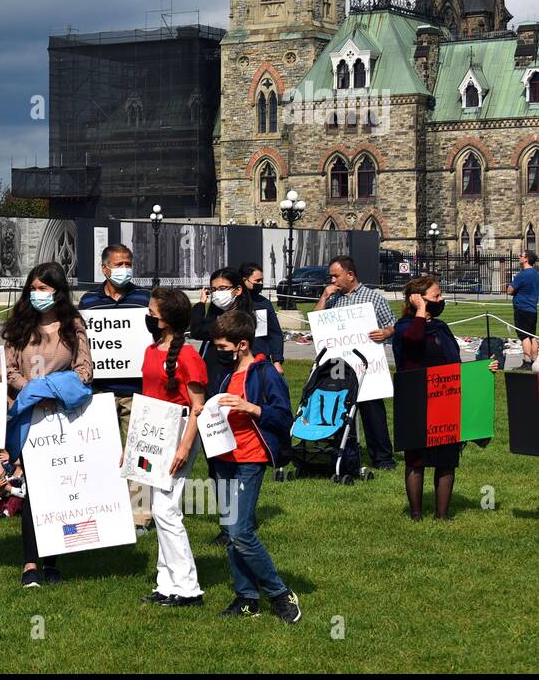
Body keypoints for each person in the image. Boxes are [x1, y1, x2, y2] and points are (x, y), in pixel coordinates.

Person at [1, 262, 92, 588]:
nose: (37, 294)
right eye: (33, 288)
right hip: (26, 416)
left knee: (58, 489)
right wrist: (31, 391)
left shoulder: (73, 325)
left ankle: (53, 559)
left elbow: (84, 371)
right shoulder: (19, 326)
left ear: (58, 291)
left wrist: (54, 391)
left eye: (44, 288)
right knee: (33, 491)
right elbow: (8, 368)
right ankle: (30, 563)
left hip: (61, 416)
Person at [207, 310, 302, 624]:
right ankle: (246, 597)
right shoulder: (228, 375)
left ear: (242, 344)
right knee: (232, 534)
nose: (219, 352)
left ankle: (280, 593)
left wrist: (251, 408)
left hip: (250, 458)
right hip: (224, 459)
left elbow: (283, 417)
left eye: (223, 347)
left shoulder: (265, 373)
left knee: (241, 532)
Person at [392, 275, 497, 520]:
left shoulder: (441, 327)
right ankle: (416, 514)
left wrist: (482, 370)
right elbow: (414, 341)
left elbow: (455, 362)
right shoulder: (404, 326)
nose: (441, 300)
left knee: (446, 460)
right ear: (417, 299)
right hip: (417, 401)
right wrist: (420, 310)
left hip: (445, 400)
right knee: (416, 460)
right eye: (436, 296)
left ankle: (443, 514)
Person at [139, 287, 206, 607]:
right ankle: (166, 583)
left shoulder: (189, 357)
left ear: (164, 320)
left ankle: (188, 587)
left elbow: (197, 406)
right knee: (159, 507)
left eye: (152, 312)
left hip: (178, 433)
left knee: (165, 509)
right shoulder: (151, 350)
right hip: (153, 432)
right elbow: (147, 400)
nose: (148, 316)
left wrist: (184, 446)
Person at [79, 244, 152, 527]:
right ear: (104, 268)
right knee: (101, 454)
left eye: (128, 264)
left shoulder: (143, 298)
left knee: (139, 454)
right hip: (100, 391)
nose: (124, 269)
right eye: (119, 264)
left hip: (137, 390)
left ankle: (140, 516)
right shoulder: (88, 301)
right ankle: (105, 508)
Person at [314, 255, 397, 471]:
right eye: (330, 276)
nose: (332, 280)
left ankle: (383, 458)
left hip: (367, 366)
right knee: (338, 411)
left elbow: (392, 325)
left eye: (336, 276)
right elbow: (316, 323)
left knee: (373, 413)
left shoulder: (373, 298)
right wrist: (323, 296)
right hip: (339, 367)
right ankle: (343, 453)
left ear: (350, 275)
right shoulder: (332, 299)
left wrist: (385, 332)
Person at [191, 267, 256, 394]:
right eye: (213, 290)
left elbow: (197, 330)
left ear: (238, 290)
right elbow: (196, 330)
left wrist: (200, 304)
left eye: (222, 289)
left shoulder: (241, 319)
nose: (217, 293)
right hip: (209, 374)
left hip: (228, 377)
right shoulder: (217, 313)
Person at [239, 262, 285, 375]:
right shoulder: (234, 302)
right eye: (257, 281)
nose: (261, 283)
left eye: (262, 280)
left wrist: (277, 361)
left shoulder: (264, 303)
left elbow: (275, 333)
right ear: (245, 280)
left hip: (261, 358)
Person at [506, 250, 539, 367]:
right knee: (532, 336)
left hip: (522, 308)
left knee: (524, 336)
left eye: (521, 255)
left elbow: (509, 290)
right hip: (532, 309)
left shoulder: (523, 274)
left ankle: (527, 361)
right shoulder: (536, 274)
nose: (519, 257)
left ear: (526, 259)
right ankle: (535, 360)